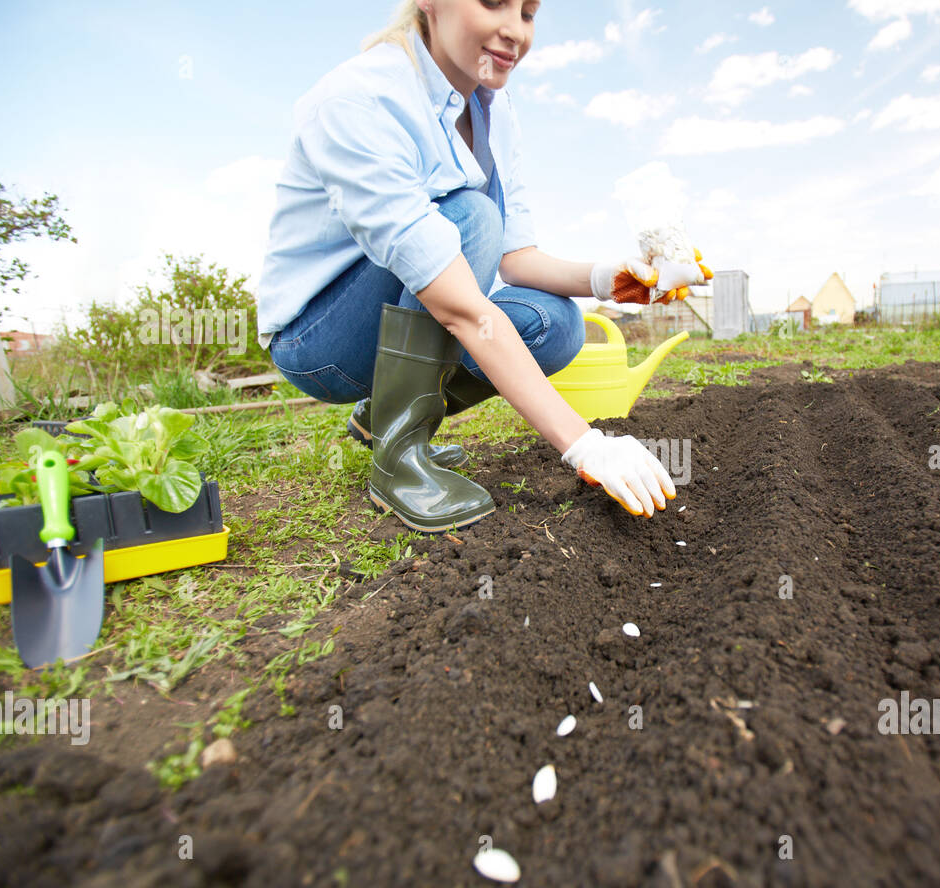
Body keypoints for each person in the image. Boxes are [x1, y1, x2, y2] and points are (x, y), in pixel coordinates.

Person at [255, 0, 710, 532]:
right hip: (318, 340)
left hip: (411, 306)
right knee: (470, 215)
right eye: (493, 3)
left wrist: (608, 280)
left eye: (529, 12)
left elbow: (515, 259)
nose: (514, 29)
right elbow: (458, 303)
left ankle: (382, 417)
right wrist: (586, 446)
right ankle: (398, 460)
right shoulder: (360, 100)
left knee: (557, 326)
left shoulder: (493, 108)